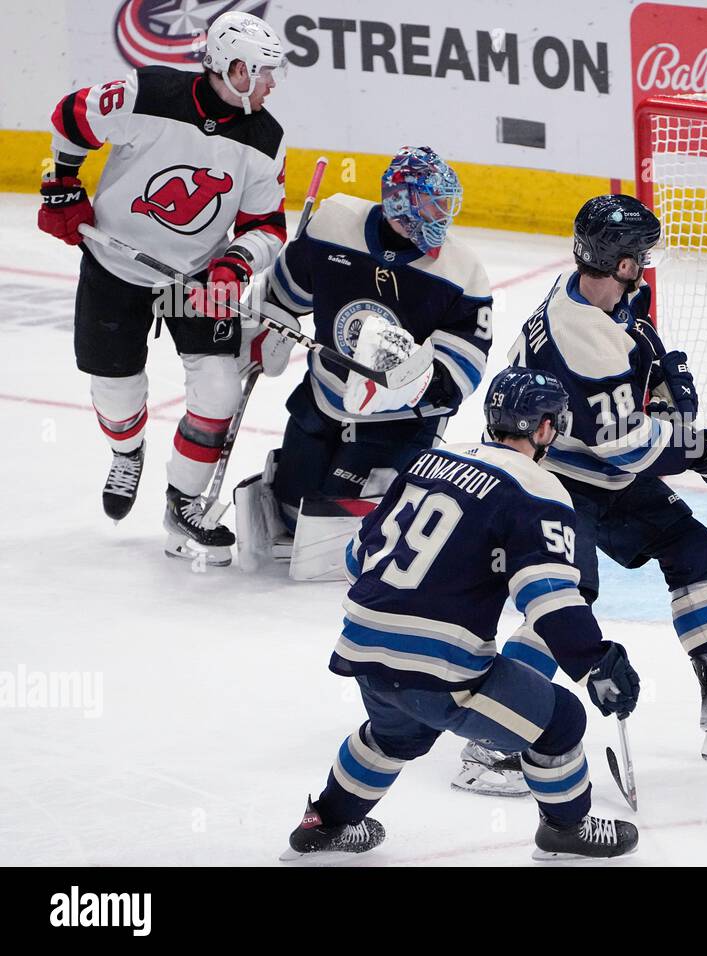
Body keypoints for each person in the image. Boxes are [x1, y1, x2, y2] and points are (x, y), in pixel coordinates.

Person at [283, 368, 640, 861]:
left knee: (394, 735)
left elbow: (355, 559)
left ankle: (324, 825)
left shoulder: (429, 461)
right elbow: (548, 596)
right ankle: (565, 831)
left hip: (362, 649)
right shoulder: (539, 488)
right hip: (441, 671)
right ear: (543, 428)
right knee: (561, 720)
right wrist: (595, 661)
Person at [501, 193, 707, 765]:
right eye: (640, 256)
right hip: (551, 481)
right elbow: (627, 447)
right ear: (621, 262)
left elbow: (622, 402)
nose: (644, 266)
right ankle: (497, 736)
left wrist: (657, 383)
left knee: (692, 549)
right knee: (565, 600)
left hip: (589, 469)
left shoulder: (592, 295)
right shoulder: (582, 336)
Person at [37, 11, 288, 565]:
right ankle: (127, 452)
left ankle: (183, 502)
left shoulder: (266, 139)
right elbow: (71, 116)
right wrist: (62, 183)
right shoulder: (148, 92)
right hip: (114, 266)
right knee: (115, 388)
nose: (273, 83)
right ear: (236, 69)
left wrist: (232, 268)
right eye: (265, 71)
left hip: (193, 279)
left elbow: (267, 227)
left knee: (219, 390)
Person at [232, 146, 492, 577]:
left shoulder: (462, 271)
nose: (443, 215)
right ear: (399, 203)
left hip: (399, 420)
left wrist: (408, 384)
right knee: (293, 510)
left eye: (445, 203)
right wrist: (266, 327)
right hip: (324, 398)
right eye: (432, 204)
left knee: (351, 530)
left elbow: (463, 366)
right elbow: (285, 292)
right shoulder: (334, 225)